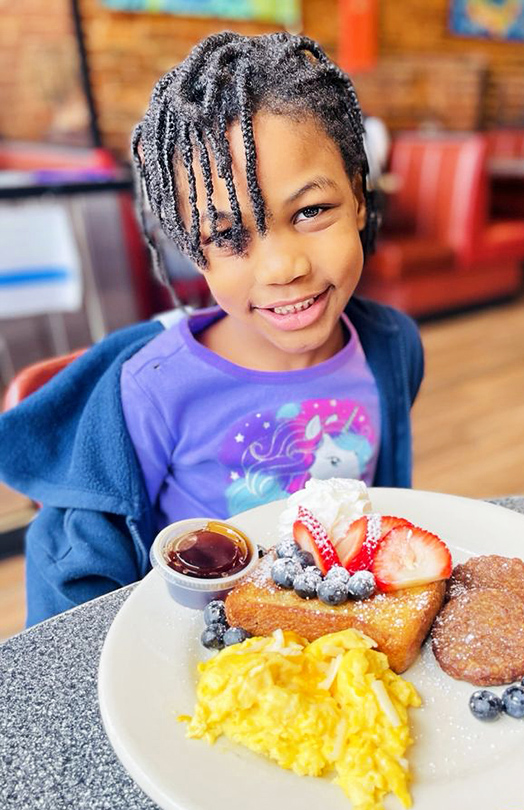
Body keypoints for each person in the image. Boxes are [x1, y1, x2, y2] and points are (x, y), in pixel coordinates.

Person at [0, 31, 424, 626]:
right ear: (195, 253)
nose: (284, 268)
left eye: (310, 212)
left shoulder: (391, 350)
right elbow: (78, 583)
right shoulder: (153, 390)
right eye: (228, 237)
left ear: (357, 197)